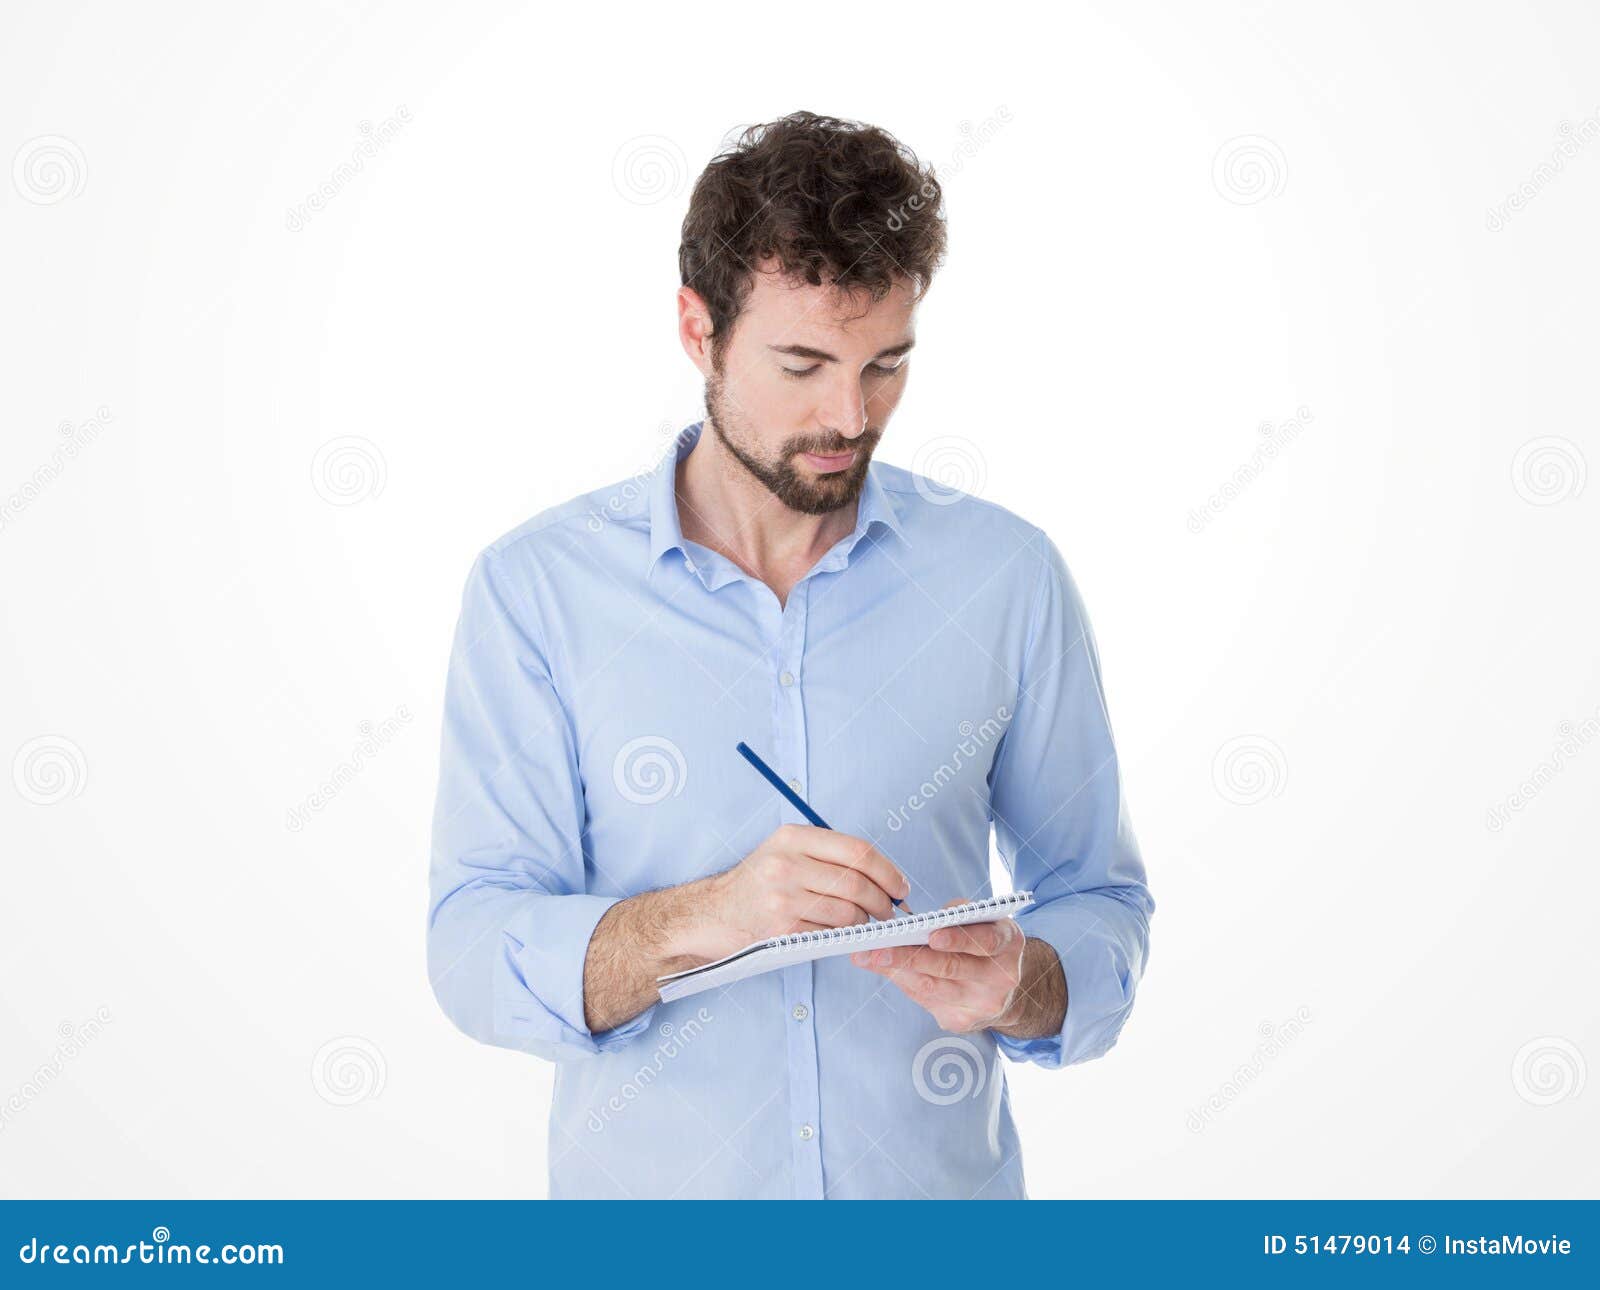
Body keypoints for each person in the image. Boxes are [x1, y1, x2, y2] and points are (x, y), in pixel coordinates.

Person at [428, 110, 1153, 1199]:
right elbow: (472, 947)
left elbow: (1098, 899)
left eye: (885, 366)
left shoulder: (1005, 576)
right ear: (696, 328)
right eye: (802, 363)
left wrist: (1023, 982)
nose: (847, 416)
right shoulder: (538, 591)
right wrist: (708, 919)